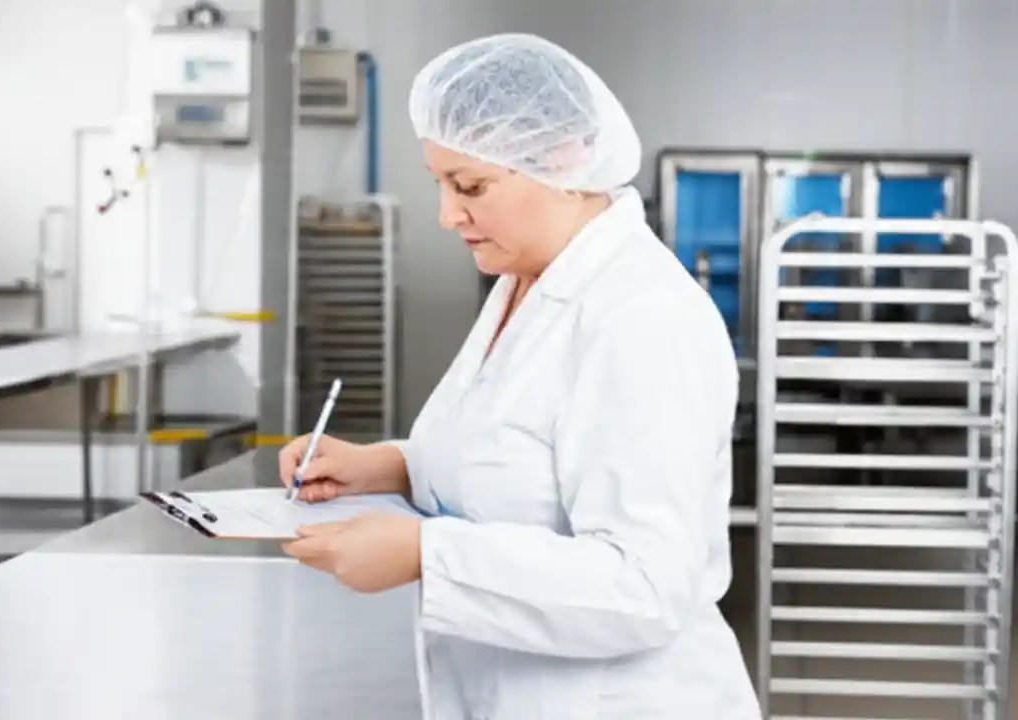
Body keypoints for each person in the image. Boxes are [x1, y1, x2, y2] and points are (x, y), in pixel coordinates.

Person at [280, 33, 759, 719]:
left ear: (562, 160)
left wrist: (425, 553)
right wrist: (383, 465)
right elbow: (518, 457)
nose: (448, 214)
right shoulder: (526, 282)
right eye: (440, 184)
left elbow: (645, 585)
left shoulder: (642, 319)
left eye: (470, 186)